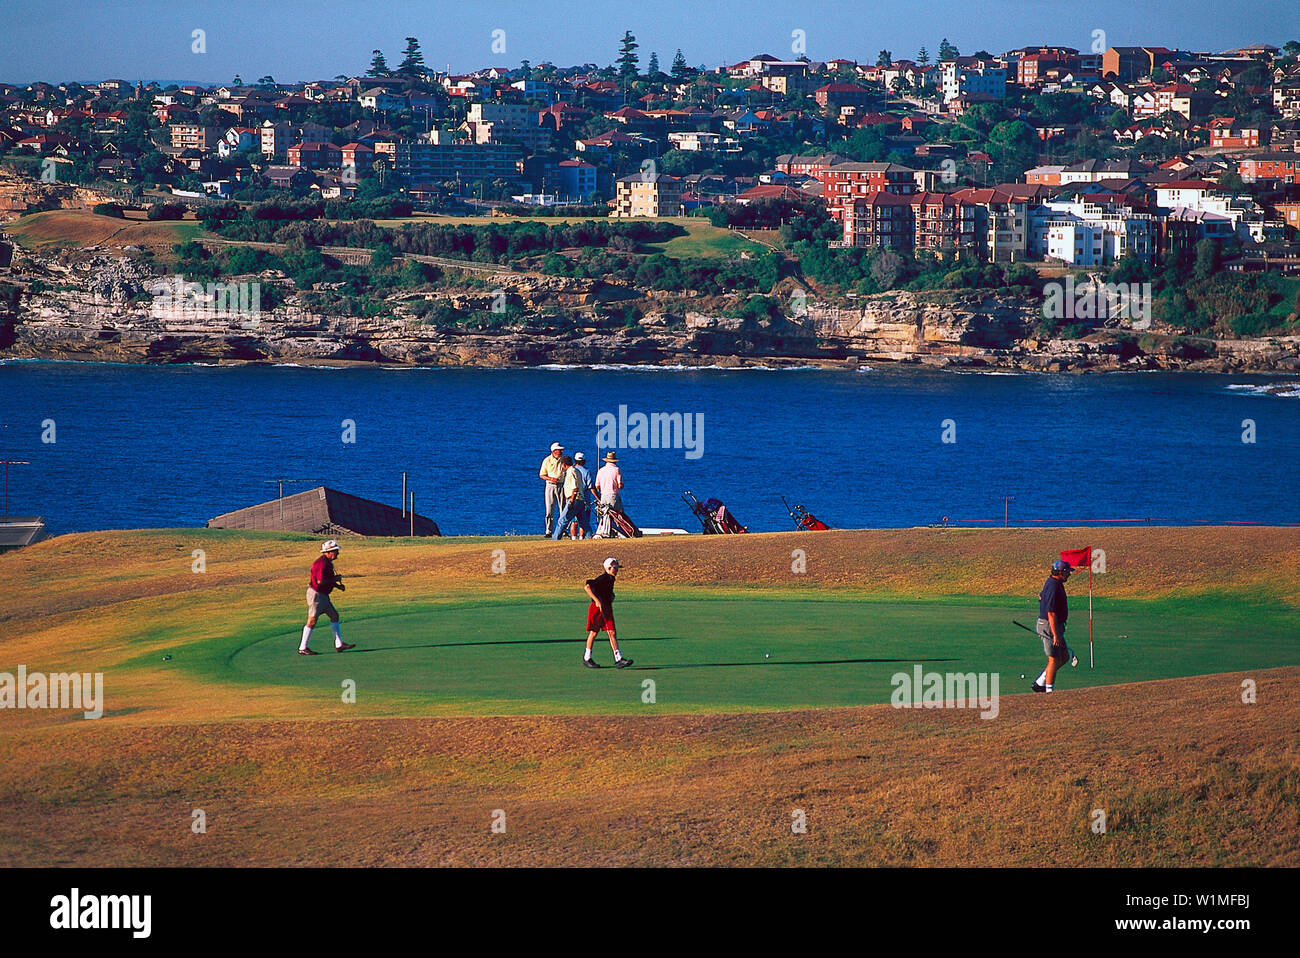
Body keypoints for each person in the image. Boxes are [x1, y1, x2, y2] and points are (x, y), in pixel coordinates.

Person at [300, 540, 355, 655]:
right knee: (312, 620)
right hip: (317, 595)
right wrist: (335, 580)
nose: (337, 553)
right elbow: (320, 581)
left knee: (334, 615)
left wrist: (337, 586)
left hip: (323, 595)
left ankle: (339, 644)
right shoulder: (322, 563)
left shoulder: (327, 562)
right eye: (335, 551)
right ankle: (303, 647)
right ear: (329, 552)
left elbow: (326, 580)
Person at [1032, 558, 1078, 692]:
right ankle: (1049, 691)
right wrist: (1055, 635)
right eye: (1067, 572)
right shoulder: (1053, 585)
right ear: (1060, 573)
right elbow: (1051, 613)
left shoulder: (1054, 583)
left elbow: (1042, 596)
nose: (1069, 574)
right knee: (1054, 659)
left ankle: (1040, 683)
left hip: (1054, 626)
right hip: (1049, 626)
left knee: (1064, 657)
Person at [583, 557, 632, 669]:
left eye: (617, 567)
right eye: (614, 567)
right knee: (594, 632)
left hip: (607, 608)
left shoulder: (610, 579)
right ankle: (587, 658)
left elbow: (604, 591)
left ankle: (618, 658)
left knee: (612, 632)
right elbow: (587, 587)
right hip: (597, 608)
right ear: (608, 568)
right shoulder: (604, 578)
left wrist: (611, 595)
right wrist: (596, 601)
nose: (616, 569)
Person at [553, 453, 592, 540]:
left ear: (564, 464)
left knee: (562, 520)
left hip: (574, 499)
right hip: (581, 499)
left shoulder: (571, 472)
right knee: (583, 522)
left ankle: (555, 539)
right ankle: (590, 536)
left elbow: (575, 488)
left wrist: (571, 501)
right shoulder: (577, 471)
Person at [539, 441, 566, 537]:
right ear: (554, 451)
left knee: (562, 508)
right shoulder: (547, 460)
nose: (562, 451)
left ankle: (563, 529)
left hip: (561, 485)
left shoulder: (563, 460)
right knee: (549, 509)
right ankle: (548, 530)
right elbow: (542, 475)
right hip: (550, 486)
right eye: (560, 450)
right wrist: (551, 479)